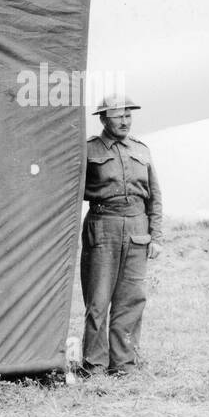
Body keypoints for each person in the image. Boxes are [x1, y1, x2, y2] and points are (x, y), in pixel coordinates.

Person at [79, 93, 162, 377]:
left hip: (138, 231)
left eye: (128, 115)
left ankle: (124, 365)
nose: (125, 121)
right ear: (103, 118)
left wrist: (156, 236)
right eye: (118, 116)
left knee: (131, 300)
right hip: (103, 227)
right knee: (98, 300)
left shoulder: (142, 149)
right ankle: (95, 366)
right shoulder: (88, 150)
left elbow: (155, 197)